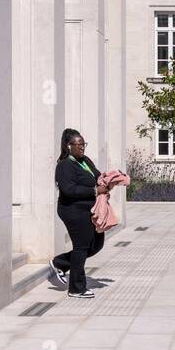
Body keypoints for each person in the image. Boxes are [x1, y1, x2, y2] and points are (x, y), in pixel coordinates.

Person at [50, 128, 109, 299]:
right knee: (81, 247)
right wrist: (95, 191)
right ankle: (76, 288)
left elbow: (97, 176)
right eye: (79, 144)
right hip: (72, 210)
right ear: (69, 146)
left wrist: (109, 180)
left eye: (84, 144)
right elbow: (69, 190)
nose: (82, 148)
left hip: (88, 209)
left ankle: (59, 263)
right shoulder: (64, 166)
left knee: (96, 244)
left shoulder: (85, 161)